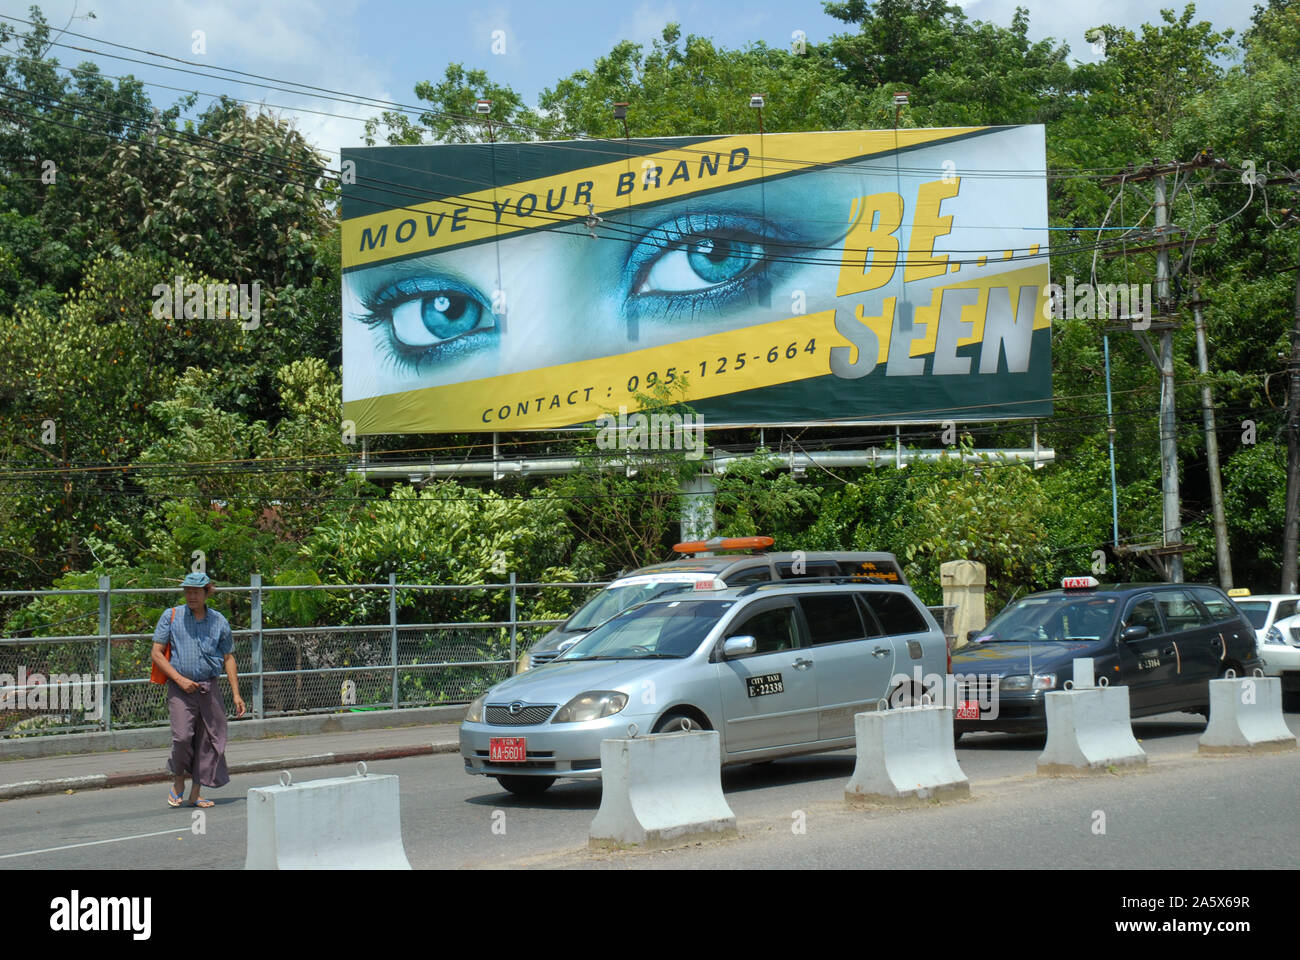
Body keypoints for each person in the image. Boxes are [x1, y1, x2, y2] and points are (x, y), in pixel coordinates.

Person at [150, 571, 245, 808]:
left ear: (206, 592)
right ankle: (178, 780)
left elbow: (228, 657)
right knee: (182, 737)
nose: (191, 596)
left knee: (208, 741)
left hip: (209, 687)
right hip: (181, 689)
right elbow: (156, 654)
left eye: (195, 591)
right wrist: (179, 680)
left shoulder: (219, 621)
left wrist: (236, 693)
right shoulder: (171, 616)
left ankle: (196, 793)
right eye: (187, 591)